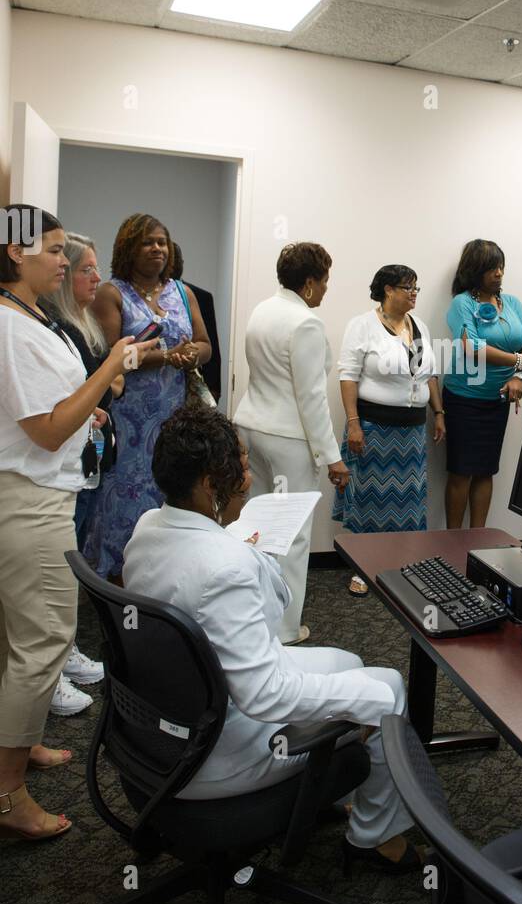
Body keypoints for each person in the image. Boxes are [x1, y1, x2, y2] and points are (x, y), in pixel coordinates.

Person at [123, 407, 420, 874]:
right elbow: (266, 694)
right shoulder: (224, 564)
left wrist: (244, 553)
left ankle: (340, 796)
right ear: (207, 484)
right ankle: (373, 839)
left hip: (163, 725)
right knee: (386, 691)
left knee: (350, 661)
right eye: (239, 467)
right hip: (215, 755)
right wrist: (250, 560)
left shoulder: (147, 528)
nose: (247, 477)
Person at [0, 204, 147, 842]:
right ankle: (6, 797)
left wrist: (87, 409)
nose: (65, 262)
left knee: (19, 639)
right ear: (13, 251)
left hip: (43, 488)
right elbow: (48, 425)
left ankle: (18, 742)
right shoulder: (10, 324)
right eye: (55, 250)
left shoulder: (33, 316)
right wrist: (110, 369)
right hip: (31, 502)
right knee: (44, 643)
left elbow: (56, 411)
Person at [86, 213, 212, 579]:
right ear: (128, 248)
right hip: (127, 421)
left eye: (162, 241)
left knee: (168, 492)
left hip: (173, 420)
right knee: (123, 496)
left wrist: (192, 355)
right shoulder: (112, 294)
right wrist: (166, 357)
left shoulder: (181, 292)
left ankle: (162, 573)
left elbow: (205, 345)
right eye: (147, 242)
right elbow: (110, 357)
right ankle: (115, 577)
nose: (157, 248)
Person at [234, 243, 349, 643]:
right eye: (325, 280)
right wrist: (332, 457)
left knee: (258, 528)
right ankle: (283, 628)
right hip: (287, 439)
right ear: (309, 282)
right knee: (294, 535)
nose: (327, 289)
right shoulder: (306, 323)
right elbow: (312, 398)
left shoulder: (262, 310)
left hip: (251, 427)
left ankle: (254, 617)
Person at [43, 232, 119, 714]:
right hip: (51, 470)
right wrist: (109, 376)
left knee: (69, 560)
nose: (96, 278)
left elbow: (98, 391)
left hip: (84, 459)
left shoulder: (79, 324)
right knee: (52, 572)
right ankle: (49, 668)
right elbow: (82, 396)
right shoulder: (50, 327)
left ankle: (63, 651)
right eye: (86, 268)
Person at [333, 267, 444, 562]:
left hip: (411, 433)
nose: (414, 293)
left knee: (409, 501)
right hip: (373, 429)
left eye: (416, 288)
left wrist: (439, 411)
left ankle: (403, 562)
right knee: (370, 499)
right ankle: (362, 565)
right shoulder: (363, 325)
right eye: (407, 287)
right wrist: (354, 423)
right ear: (387, 290)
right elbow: (347, 376)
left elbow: (428, 375)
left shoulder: (418, 326)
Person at [442, 239, 522, 528]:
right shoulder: (462, 303)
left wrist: (518, 376)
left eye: (501, 267)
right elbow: (473, 347)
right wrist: (520, 363)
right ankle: (452, 542)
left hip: (497, 401)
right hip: (464, 399)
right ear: (474, 270)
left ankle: (477, 541)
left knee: (485, 471)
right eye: (491, 268)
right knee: (460, 472)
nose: (499, 273)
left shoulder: (513, 303)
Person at [172, 242, 222, 405]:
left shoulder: (200, 296)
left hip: (193, 379)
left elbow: (211, 344)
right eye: (172, 261)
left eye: (178, 261)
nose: (175, 265)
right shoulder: (147, 299)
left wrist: (214, 388)